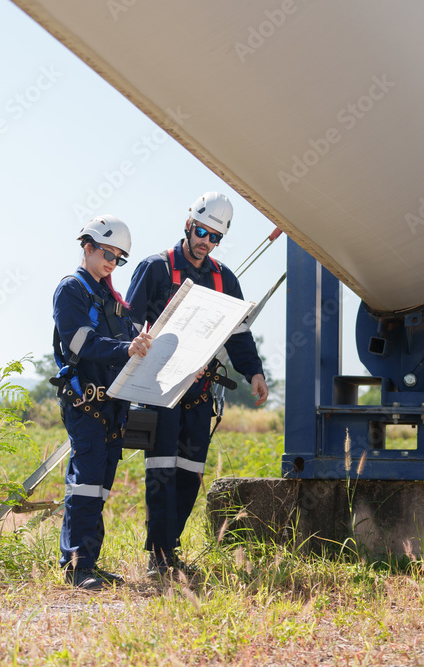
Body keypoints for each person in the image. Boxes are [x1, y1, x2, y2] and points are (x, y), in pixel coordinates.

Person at [127, 191, 269, 577]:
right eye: (203, 231)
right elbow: (128, 323)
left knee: (189, 475)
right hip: (160, 392)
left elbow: (239, 335)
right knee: (162, 472)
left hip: (200, 394)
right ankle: (157, 555)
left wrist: (253, 371)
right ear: (189, 226)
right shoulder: (155, 268)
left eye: (216, 237)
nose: (207, 241)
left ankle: (169, 548)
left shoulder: (225, 279)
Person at [52, 215, 153, 590]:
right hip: (85, 403)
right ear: (88, 246)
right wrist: (127, 347)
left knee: (100, 487)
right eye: (108, 252)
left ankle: (88, 563)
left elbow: (130, 350)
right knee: (86, 484)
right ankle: (76, 567)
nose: (113, 261)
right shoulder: (71, 291)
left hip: (113, 407)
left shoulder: (113, 300)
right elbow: (81, 343)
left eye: (120, 257)